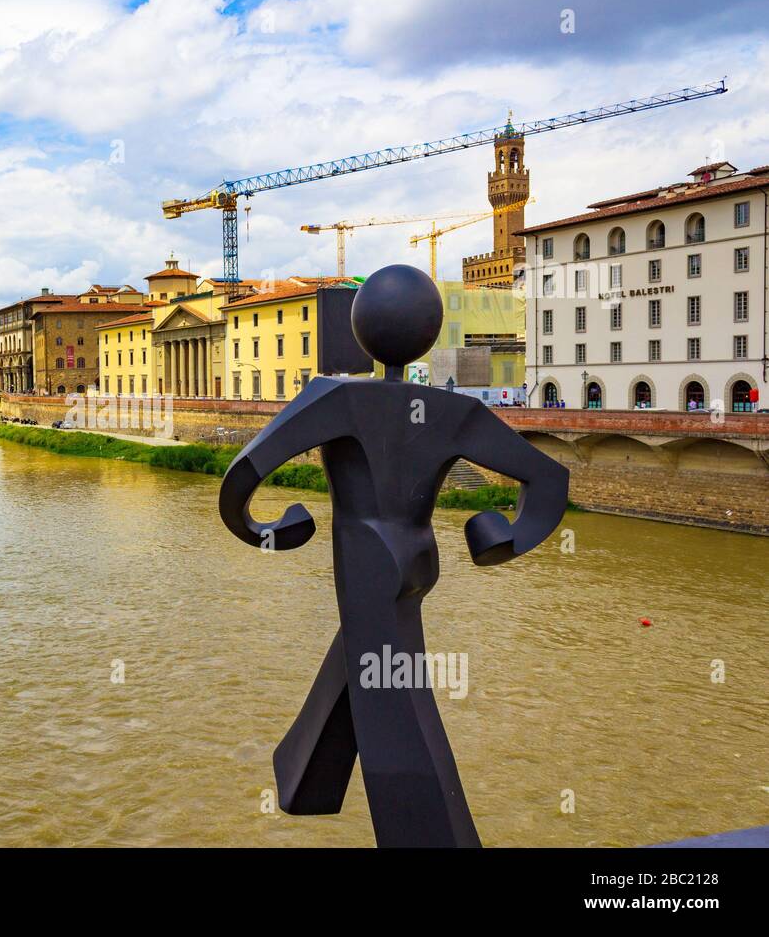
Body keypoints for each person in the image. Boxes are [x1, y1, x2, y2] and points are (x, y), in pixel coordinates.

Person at [219, 265, 569, 847]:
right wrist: (501, 539)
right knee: (375, 665)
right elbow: (547, 482)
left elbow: (242, 478)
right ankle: (305, 776)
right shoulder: (455, 411)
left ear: (364, 328)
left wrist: (266, 530)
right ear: (426, 332)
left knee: (400, 716)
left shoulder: (336, 396)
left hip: (364, 563)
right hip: (416, 561)